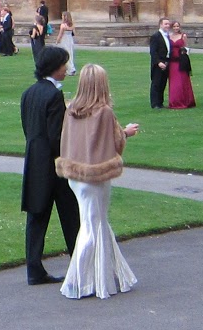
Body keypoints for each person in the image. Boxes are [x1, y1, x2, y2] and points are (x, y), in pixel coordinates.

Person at [55, 64, 141, 300]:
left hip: (75, 173)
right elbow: (114, 142)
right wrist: (127, 132)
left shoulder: (71, 108)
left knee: (98, 223)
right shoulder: (104, 112)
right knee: (92, 227)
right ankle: (78, 282)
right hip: (94, 174)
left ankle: (104, 277)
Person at [20, 46, 78, 285]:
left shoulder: (29, 92)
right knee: (70, 215)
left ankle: (34, 269)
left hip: (34, 159)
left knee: (37, 216)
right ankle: (80, 265)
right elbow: (57, 135)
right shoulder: (53, 95)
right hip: (54, 164)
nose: (66, 68)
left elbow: (28, 128)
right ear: (55, 67)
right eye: (64, 64)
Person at [166, 22, 196, 109]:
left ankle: (185, 101)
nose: (176, 28)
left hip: (181, 61)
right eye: (174, 26)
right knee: (174, 82)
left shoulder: (183, 36)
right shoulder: (169, 36)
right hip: (172, 62)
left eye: (177, 26)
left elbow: (186, 48)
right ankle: (174, 101)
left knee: (182, 81)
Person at [148, 17, 173, 109]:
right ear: (161, 25)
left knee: (163, 83)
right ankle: (155, 104)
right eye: (165, 24)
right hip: (158, 63)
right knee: (156, 83)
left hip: (167, 62)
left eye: (168, 24)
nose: (167, 26)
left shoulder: (168, 36)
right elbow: (153, 52)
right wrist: (158, 62)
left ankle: (160, 103)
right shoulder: (156, 36)